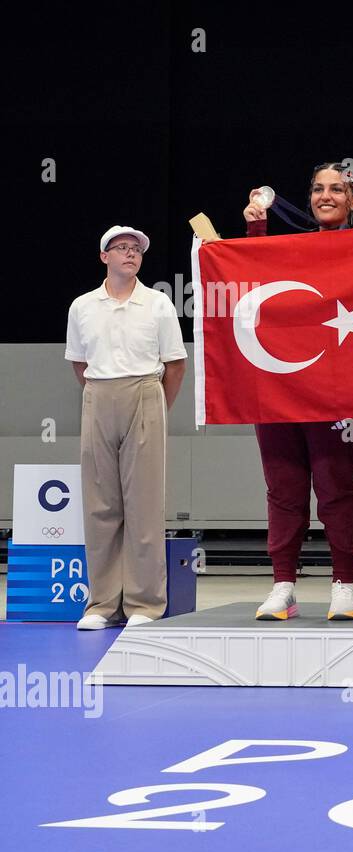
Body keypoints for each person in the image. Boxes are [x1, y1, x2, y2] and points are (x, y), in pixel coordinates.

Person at [243, 163, 353, 621]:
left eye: (337, 189)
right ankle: (283, 585)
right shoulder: (289, 247)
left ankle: (344, 584)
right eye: (318, 188)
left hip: (339, 391)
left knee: (336, 488)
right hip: (281, 388)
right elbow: (251, 280)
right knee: (283, 487)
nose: (325, 196)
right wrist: (256, 226)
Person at [66, 226, 187, 629]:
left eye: (136, 249)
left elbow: (175, 363)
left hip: (145, 392)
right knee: (101, 504)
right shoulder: (82, 306)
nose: (130, 254)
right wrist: (104, 393)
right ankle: (101, 604)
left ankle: (144, 603)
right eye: (121, 248)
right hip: (99, 394)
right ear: (105, 257)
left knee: (144, 504)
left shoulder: (157, 304)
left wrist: (155, 407)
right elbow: (79, 364)